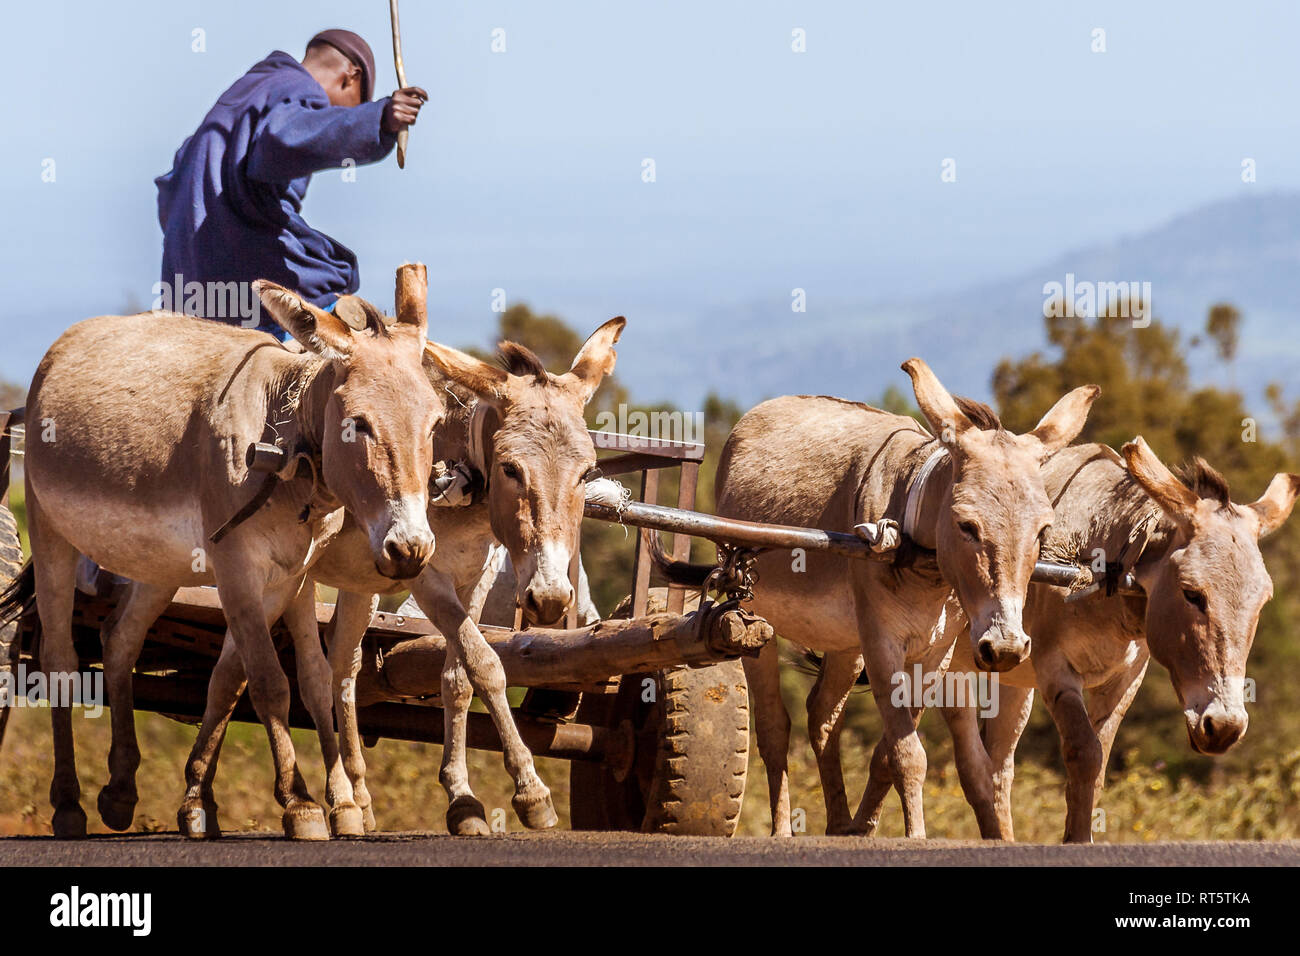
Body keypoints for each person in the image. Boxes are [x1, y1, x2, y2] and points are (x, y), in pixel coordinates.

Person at [154, 29, 427, 338]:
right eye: (352, 105)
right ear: (350, 77)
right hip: (244, 283)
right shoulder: (299, 90)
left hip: (187, 292)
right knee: (337, 278)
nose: (340, 114)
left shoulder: (241, 98)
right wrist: (378, 118)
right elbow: (283, 139)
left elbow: (169, 190)